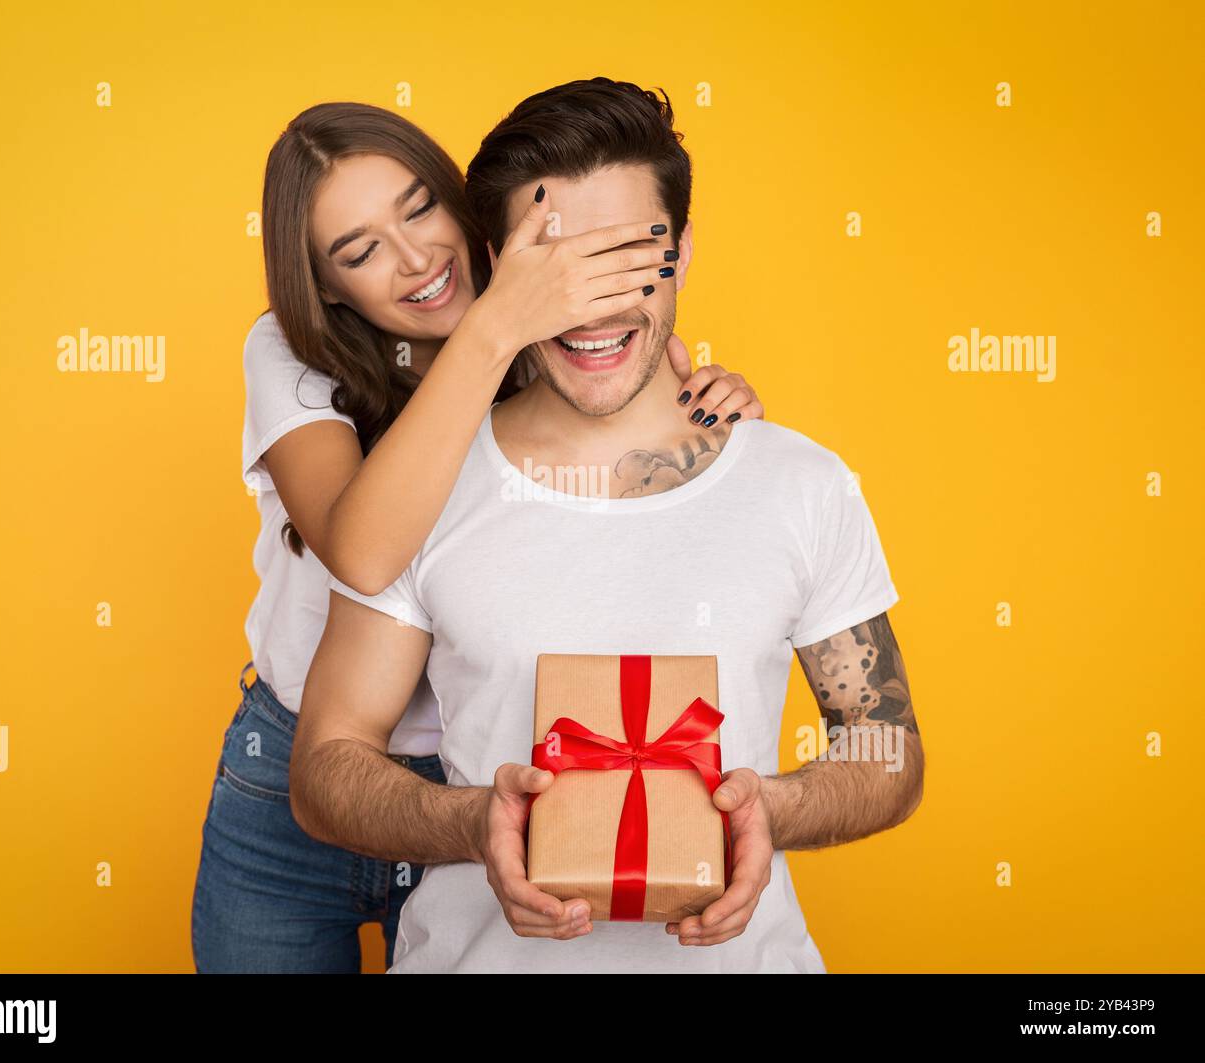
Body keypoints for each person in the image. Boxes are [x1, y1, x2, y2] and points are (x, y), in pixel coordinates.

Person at [291, 78, 925, 973]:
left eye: (630, 254)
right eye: (555, 266)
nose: (591, 306)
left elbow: (885, 744)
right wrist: (473, 820)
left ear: (685, 249)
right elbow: (326, 764)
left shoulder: (803, 484)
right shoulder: (418, 490)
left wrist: (764, 811)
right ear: (498, 269)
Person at [191, 99, 766, 972]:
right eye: (361, 250)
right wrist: (497, 324)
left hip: (481, 783)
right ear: (328, 288)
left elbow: (655, 435)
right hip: (291, 778)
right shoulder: (289, 351)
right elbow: (362, 549)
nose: (417, 258)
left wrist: (716, 410)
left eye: (419, 208)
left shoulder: (561, 337)